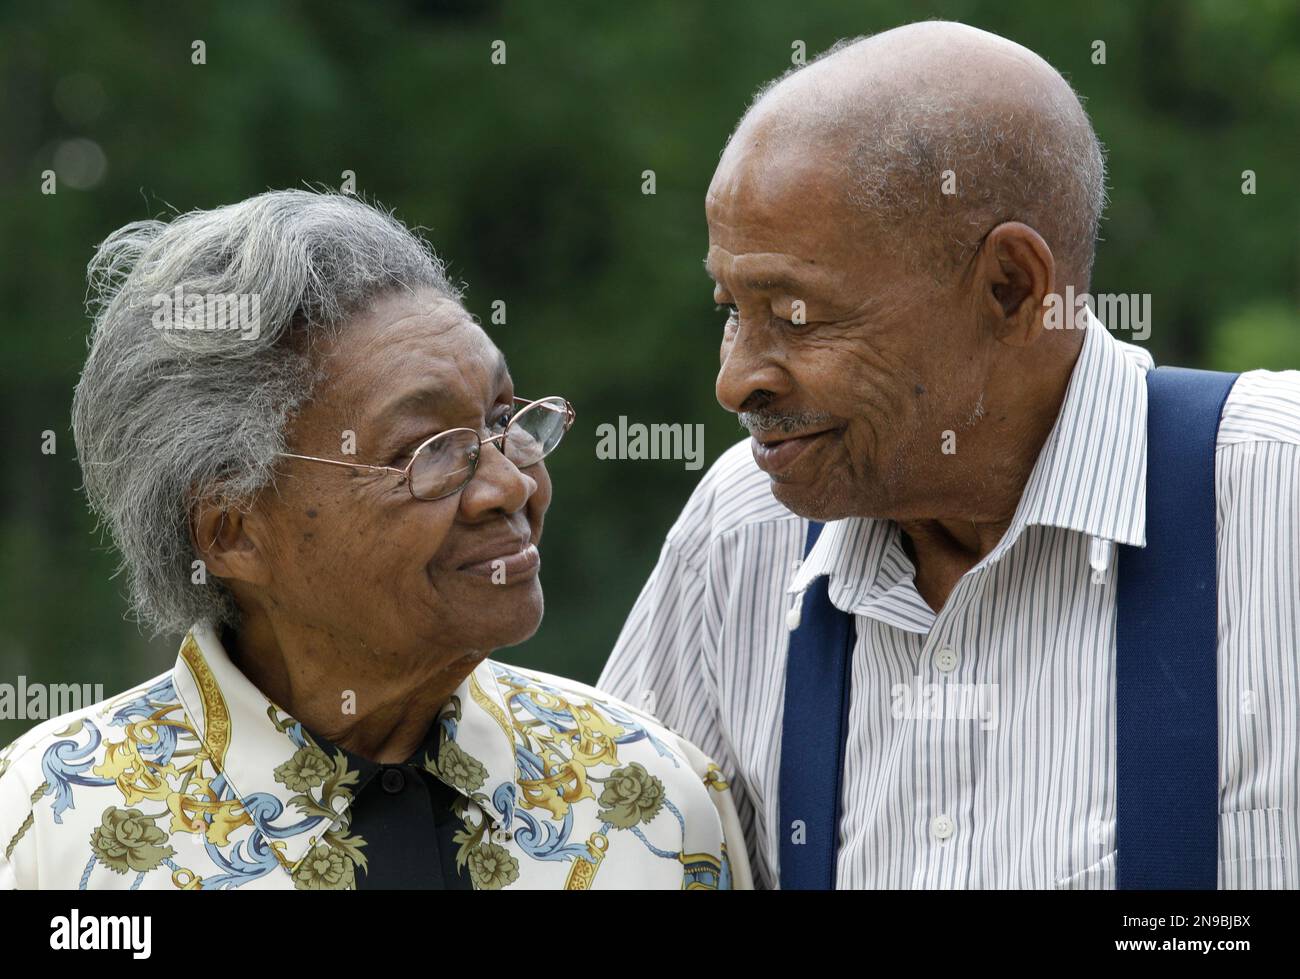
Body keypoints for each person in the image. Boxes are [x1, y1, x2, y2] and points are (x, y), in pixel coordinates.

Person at [599, 21, 1300, 889]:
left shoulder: (1281, 494)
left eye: (796, 314)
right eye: (730, 308)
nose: (736, 380)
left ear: (1011, 287)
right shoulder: (738, 531)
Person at [0, 190, 750, 890]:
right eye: (427, 449)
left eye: (499, 419)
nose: (510, 486)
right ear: (231, 531)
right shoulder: (49, 830)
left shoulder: (653, 802)